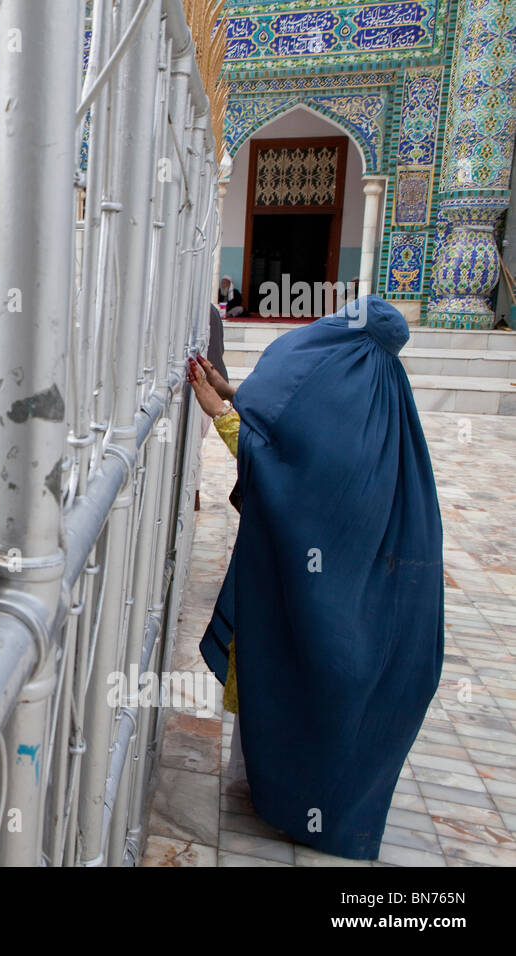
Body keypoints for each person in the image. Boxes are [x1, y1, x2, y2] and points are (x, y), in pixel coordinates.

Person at [186, 295, 443, 860]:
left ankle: (306, 806)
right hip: (369, 604)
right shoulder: (376, 396)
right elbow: (295, 433)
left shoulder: (349, 389)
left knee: (314, 669)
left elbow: (295, 483)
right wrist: (236, 398)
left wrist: (224, 417)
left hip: (338, 608)